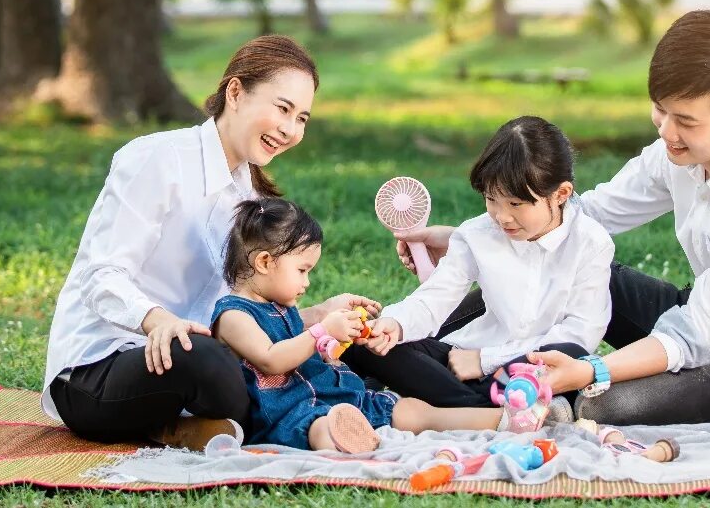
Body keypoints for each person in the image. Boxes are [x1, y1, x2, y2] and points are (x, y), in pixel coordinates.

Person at [392, 10, 710, 426]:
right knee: (585, 266)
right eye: (660, 110)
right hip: (706, 320)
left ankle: (490, 390)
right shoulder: (676, 151)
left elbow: (695, 331)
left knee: (603, 406)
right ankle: (418, 345)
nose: (667, 131)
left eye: (686, 120)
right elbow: (580, 219)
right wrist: (473, 240)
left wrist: (591, 370)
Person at [41, 35, 378, 449]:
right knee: (212, 365)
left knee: (336, 352)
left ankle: (213, 425)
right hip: (103, 366)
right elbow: (100, 275)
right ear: (235, 92)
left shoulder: (252, 199)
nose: (289, 130)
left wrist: (317, 318)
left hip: (195, 352)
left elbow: (241, 316)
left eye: (302, 118)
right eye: (282, 109)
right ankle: (174, 429)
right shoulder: (157, 159)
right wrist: (158, 320)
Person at [346, 117, 614, 413]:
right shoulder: (477, 234)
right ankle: (490, 408)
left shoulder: (591, 243)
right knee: (365, 344)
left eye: (515, 204)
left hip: (527, 364)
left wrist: (485, 359)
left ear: (560, 194)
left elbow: (580, 333)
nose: (501, 216)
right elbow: (434, 298)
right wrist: (394, 324)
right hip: (462, 360)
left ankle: (467, 406)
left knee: (570, 352)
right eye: (491, 199)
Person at [212, 198, 512, 452]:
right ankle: (344, 442)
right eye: (302, 270)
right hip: (291, 412)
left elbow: (305, 348)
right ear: (264, 263)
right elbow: (272, 359)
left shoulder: (279, 304)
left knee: (410, 410)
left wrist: (335, 342)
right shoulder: (233, 316)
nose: (307, 282)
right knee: (321, 429)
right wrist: (322, 330)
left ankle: (501, 419)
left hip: (337, 394)